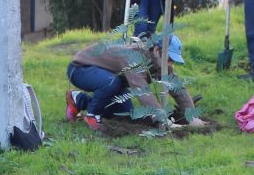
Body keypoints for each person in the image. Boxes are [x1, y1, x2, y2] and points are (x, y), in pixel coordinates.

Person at [65, 33, 207, 130]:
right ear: (157, 50)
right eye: (169, 59)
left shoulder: (161, 63)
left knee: (125, 115)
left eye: (172, 61)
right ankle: (92, 116)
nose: (170, 64)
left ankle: (79, 99)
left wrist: (192, 116)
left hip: (108, 77)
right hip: (80, 69)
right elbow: (142, 91)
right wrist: (163, 120)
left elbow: (176, 87)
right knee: (111, 83)